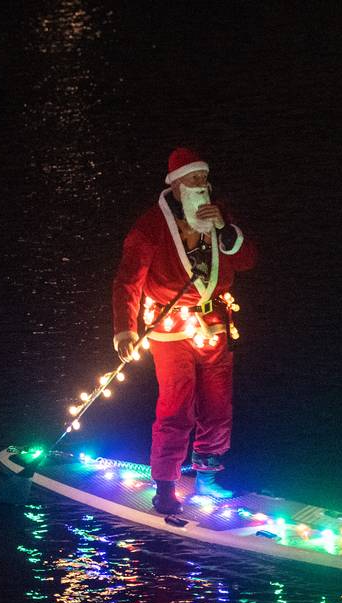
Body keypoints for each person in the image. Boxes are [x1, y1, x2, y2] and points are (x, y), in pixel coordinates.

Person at [113, 148, 257, 514]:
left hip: (214, 325)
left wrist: (224, 228)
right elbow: (128, 280)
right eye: (193, 179)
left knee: (217, 403)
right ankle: (165, 482)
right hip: (171, 326)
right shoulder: (150, 226)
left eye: (204, 178)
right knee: (176, 406)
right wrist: (125, 330)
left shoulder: (219, 215)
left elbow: (247, 260)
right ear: (176, 184)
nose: (201, 184)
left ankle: (207, 475)